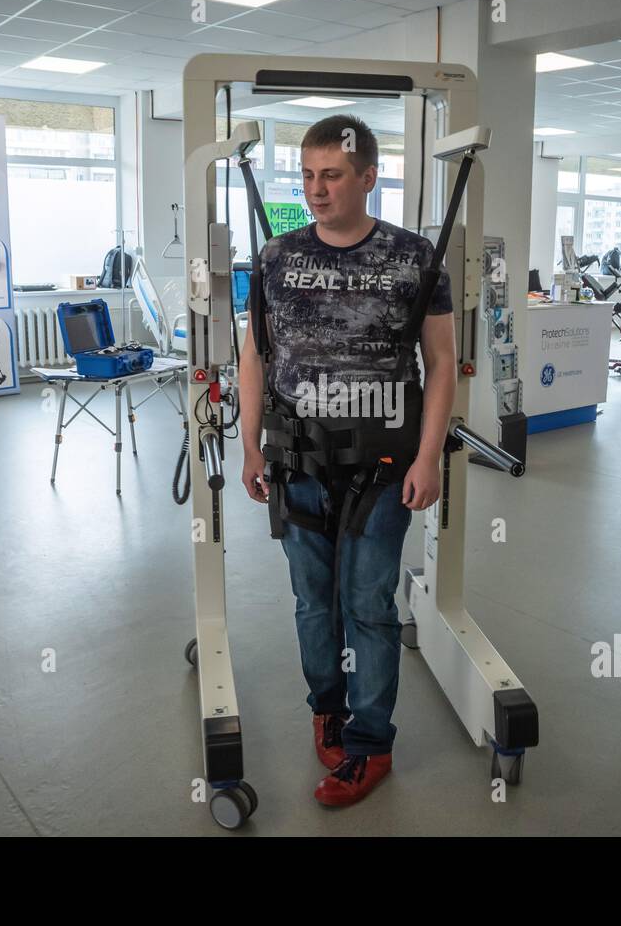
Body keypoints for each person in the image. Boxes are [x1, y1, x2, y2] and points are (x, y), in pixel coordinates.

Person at [238, 114, 457, 805]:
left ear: (368, 176)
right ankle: (325, 706)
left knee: (367, 604)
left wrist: (430, 458)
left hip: (385, 465)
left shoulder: (416, 258)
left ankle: (369, 744)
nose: (316, 189)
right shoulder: (275, 257)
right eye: (307, 175)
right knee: (312, 601)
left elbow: (443, 362)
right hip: (297, 459)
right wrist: (248, 442)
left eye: (332, 175)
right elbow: (256, 354)